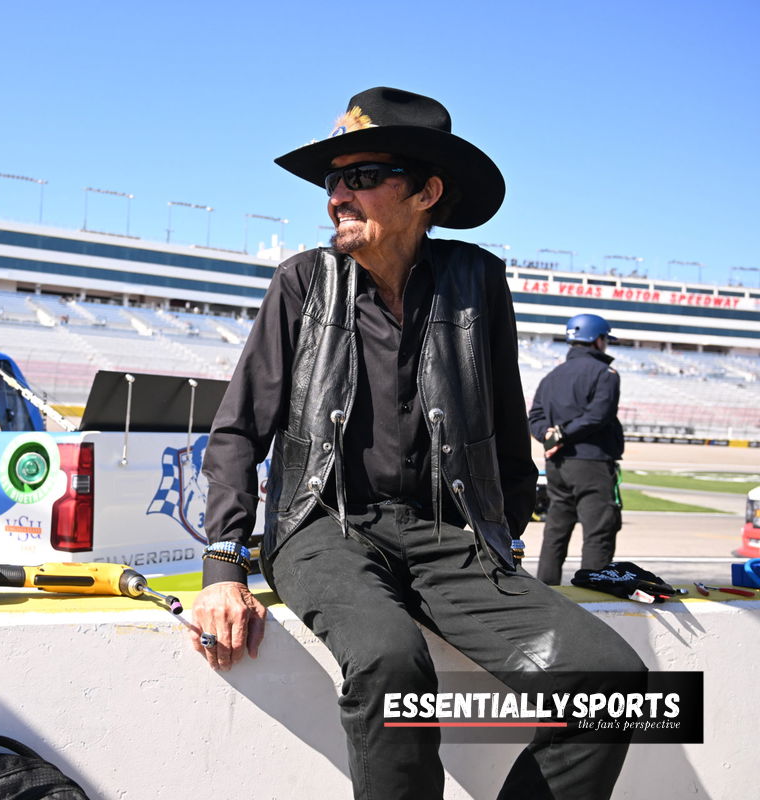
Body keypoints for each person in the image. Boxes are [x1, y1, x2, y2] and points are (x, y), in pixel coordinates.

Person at [188, 88, 645, 799]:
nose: (338, 195)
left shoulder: (477, 281)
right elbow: (239, 428)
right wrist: (223, 568)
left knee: (613, 681)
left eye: (362, 176)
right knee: (390, 660)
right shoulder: (302, 282)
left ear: (427, 191)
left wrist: (505, 536)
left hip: (448, 536)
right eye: (332, 180)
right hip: (322, 529)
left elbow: (500, 421)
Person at [528, 313, 625, 585]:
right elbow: (598, 415)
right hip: (591, 463)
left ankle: (547, 590)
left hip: (557, 465)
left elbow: (534, 417)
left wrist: (550, 438)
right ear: (597, 340)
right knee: (599, 531)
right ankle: (595, 593)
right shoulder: (605, 374)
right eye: (605, 339)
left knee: (556, 530)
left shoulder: (551, 376)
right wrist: (563, 435)